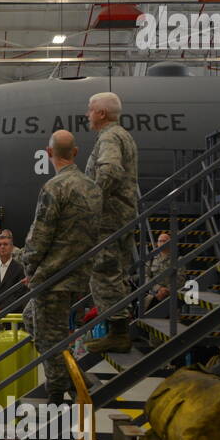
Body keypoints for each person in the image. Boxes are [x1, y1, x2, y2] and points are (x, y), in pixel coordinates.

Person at [21, 130, 103, 404]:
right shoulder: (92, 187)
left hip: (52, 277)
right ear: (76, 152)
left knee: (49, 341)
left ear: (48, 152)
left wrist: (29, 267)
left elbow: (39, 237)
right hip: (78, 274)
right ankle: (81, 380)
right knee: (31, 318)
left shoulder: (54, 188)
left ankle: (57, 395)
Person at [84, 91, 140, 354]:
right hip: (122, 216)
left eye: (90, 109)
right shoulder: (123, 135)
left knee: (104, 272)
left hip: (108, 219)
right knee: (116, 272)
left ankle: (118, 333)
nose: (87, 114)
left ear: (101, 113)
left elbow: (110, 170)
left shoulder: (109, 137)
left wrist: (90, 202)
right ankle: (118, 330)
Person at [143, 232, 174, 312]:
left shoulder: (177, 259)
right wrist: (158, 289)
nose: (162, 243)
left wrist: (166, 291)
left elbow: (180, 279)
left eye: (164, 241)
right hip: (153, 295)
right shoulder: (151, 258)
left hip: (170, 296)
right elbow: (145, 276)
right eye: (160, 241)